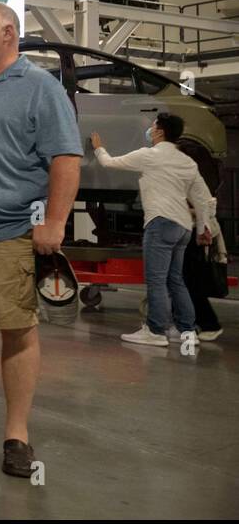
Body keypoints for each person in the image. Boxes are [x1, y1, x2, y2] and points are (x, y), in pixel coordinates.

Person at [0, 2, 81, 479]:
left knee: (16, 329)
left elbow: (65, 159)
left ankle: (16, 435)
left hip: (12, 230)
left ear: (9, 33)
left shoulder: (41, 89)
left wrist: (54, 222)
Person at [91, 113, 214, 350]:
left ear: (159, 132)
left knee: (156, 281)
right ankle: (187, 331)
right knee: (176, 280)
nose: (150, 129)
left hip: (160, 223)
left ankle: (156, 331)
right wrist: (204, 227)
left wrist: (99, 148)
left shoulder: (149, 156)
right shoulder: (187, 161)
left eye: (153, 125)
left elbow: (109, 163)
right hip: (183, 228)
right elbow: (203, 198)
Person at [175, 137, 226, 342]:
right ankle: (195, 323)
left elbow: (208, 206)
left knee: (190, 281)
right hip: (190, 231)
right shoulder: (186, 174)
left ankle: (209, 324)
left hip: (197, 234)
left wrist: (186, 211)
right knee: (185, 280)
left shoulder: (192, 176)